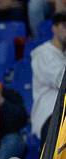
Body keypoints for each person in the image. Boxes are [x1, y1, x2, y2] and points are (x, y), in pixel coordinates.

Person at [32, 12, 66, 140]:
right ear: (54, 28)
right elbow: (62, 81)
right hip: (50, 115)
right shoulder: (43, 53)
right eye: (64, 26)